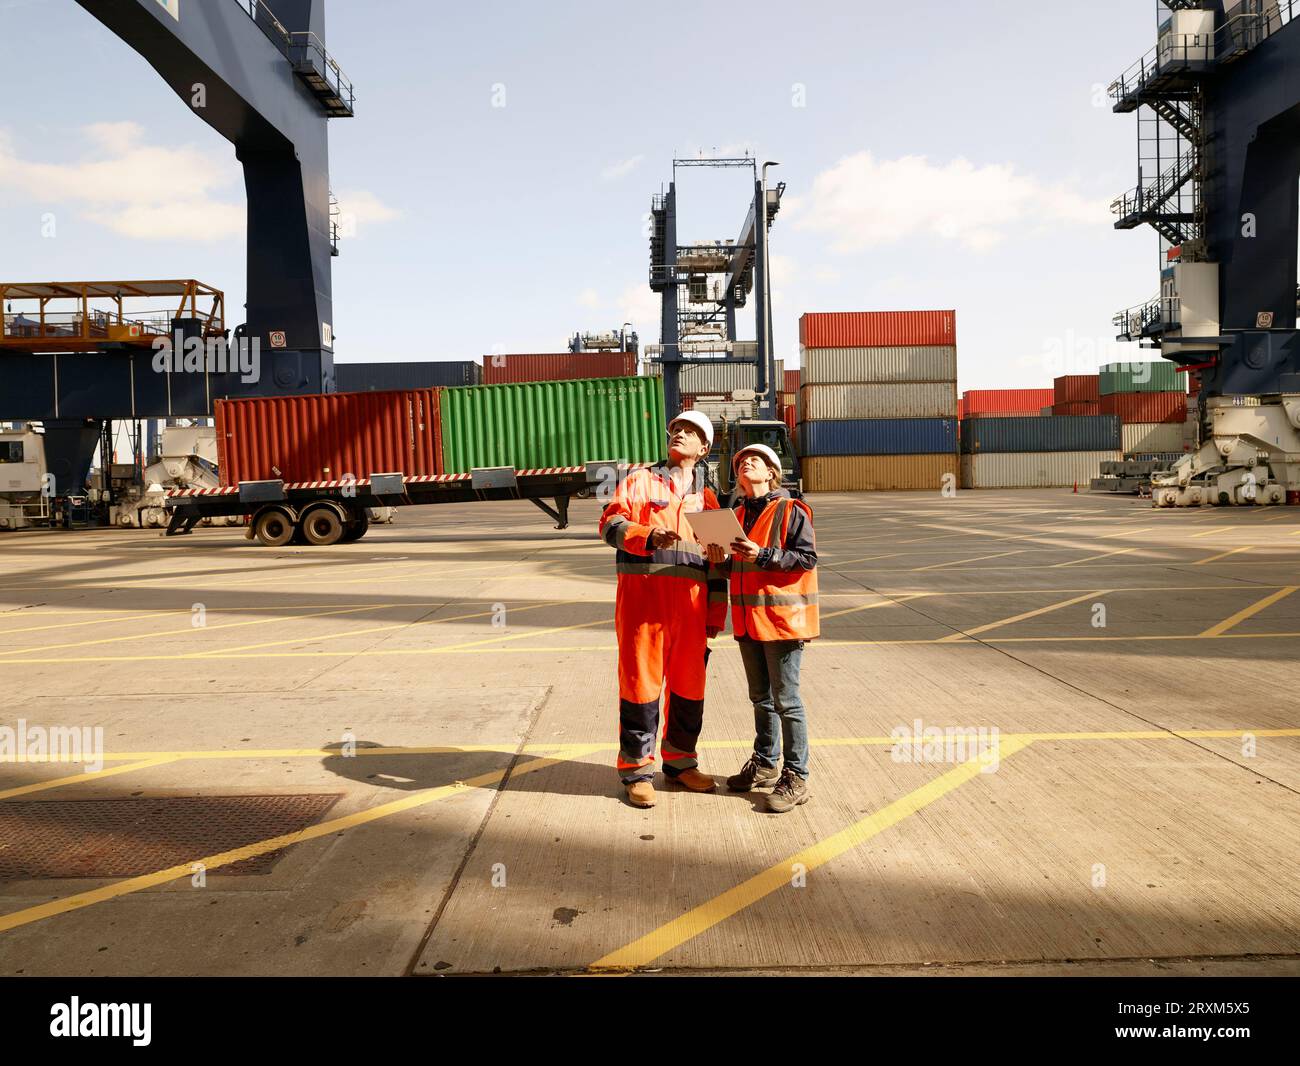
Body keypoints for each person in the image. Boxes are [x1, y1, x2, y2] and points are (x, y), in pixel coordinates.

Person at [597, 411, 729, 809]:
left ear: (703, 449)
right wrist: (647, 534)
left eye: (690, 432)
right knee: (640, 689)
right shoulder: (639, 482)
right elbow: (608, 524)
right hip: (643, 606)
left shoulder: (707, 499)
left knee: (690, 689)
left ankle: (680, 762)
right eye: (676, 430)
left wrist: (713, 617)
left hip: (691, 611)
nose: (680, 435)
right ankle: (637, 771)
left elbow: (718, 567)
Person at [722, 443, 819, 813]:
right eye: (741, 461)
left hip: (781, 621)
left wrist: (762, 554)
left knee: (787, 701)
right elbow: (737, 567)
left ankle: (796, 776)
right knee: (759, 698)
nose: (747, 463)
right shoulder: (737, 512)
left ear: (771, 472)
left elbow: (807, 557)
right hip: (748, 619)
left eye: (755, 460)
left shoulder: (792, 509)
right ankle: (765, 762)